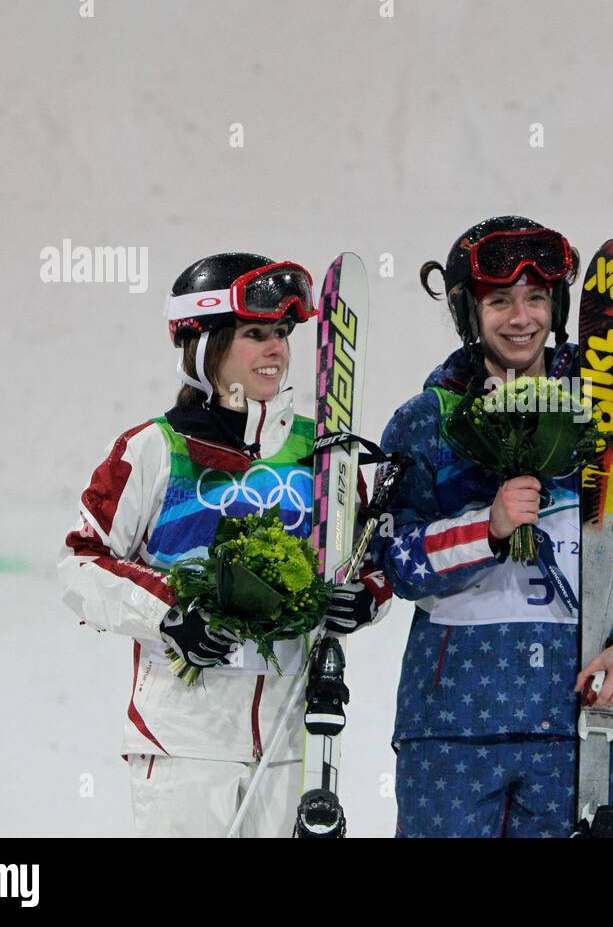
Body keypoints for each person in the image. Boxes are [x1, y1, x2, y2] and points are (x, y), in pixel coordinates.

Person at [372, 217, 613, 837]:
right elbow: (393, 562)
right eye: (500, 301)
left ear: (558, 304)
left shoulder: (610, 419)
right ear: (468, 309)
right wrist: (484, 530)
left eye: (536, 297)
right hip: (451, 724)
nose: (521, 318)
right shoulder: (424, 423)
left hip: (574, 720)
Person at [57, 253, 390, 837]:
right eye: (255, 334)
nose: (277, 350)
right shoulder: (154, 449)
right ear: (204, 344)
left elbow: (372, 559)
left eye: (283, 334)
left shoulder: (325, 454)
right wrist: (173, 614)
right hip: (183, 739)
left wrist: (364, 598)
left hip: (295, 734)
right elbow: (81, 564)